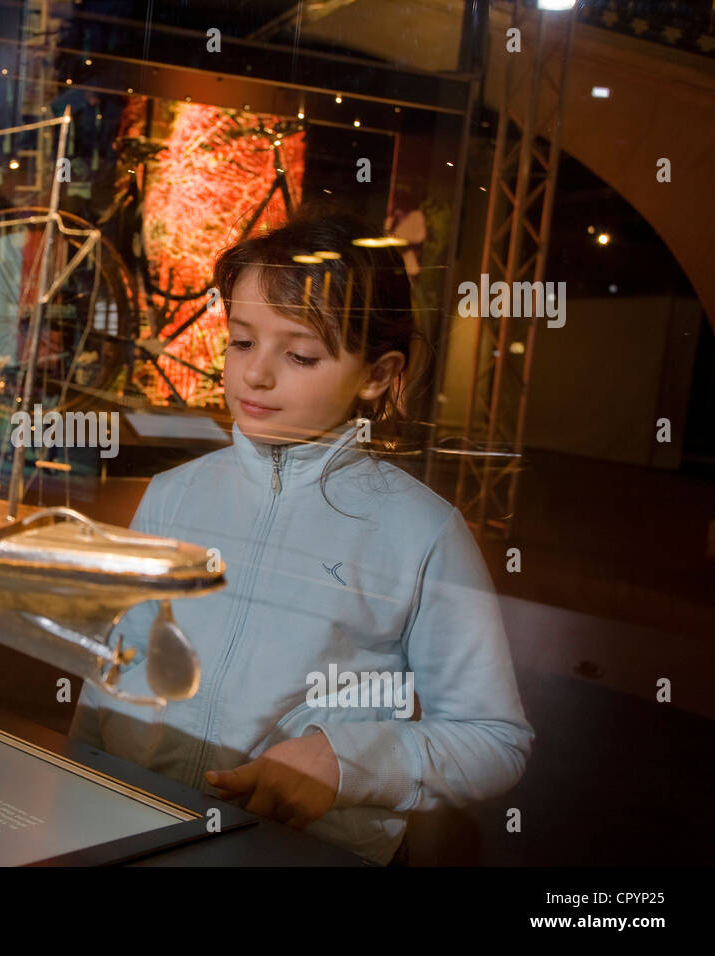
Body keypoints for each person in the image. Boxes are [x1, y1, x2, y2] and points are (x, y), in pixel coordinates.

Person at [69, 208, 533, 865]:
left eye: (300, 354)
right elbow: (117, 666)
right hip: (139, 830)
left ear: (375, 374)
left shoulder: (422, 531)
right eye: (241, 341)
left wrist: (343, 764)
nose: (256, 374)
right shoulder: (173, 493)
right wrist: (77, 781)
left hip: (295, 852)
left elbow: (493, 738)